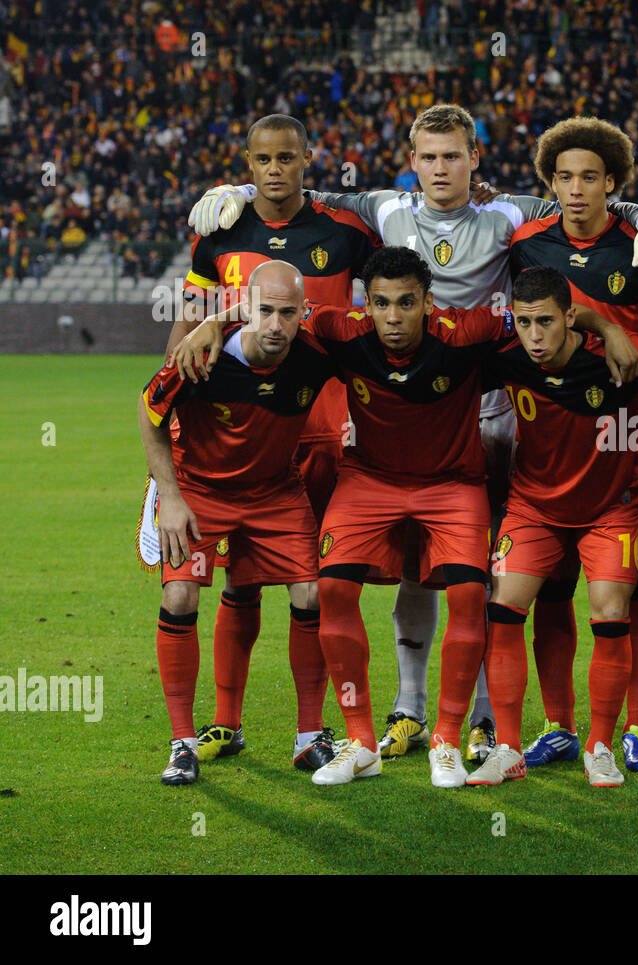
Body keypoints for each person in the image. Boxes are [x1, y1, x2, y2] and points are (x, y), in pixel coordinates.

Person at [188, 104, 638, 766]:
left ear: (475, 158)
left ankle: (485, 718)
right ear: (412, 161)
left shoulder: (508, 213)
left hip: (501, 408)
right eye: (429, 156)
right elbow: (302, 190)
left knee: (495, 571)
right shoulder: (382, 207)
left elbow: (586, 199)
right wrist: (238, 190)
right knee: (415, 567)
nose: (441, 168)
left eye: (453, 155)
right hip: (415, 409)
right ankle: (410, 709)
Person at [176, 247, 638, 788]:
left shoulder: (468, 331)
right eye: (381, 304)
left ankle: (445, 739)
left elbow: (546, 311)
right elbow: (276, 306)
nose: (393, 317)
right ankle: (360, 743)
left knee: (469, 595)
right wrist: (214, 321)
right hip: (369, 480)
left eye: (406, 303)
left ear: (428, 302)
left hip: (452, 484)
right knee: (331, 589)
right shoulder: (342, 329)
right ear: (366, 305)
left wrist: (608, 327)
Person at [164, 114, 381, 772]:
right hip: (241, 433)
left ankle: (324, 726)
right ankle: (226, 722)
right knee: (240, 583)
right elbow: (187, 330)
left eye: (287, 157)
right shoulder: (220, 232)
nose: (276, 169)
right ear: (249, 163)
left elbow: (381, 304)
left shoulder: (346, 233)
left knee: (320, 586)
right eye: (264, 160)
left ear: (307, 158)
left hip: (324, 431)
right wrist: (177, 396)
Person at [509, 118, 638, 773]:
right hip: (551, 437)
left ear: (612, 183)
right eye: (565, 178)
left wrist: (625, 341)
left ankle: (637, 724)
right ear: (550, 184)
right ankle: (558, 724)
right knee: (553, 584)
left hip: (631, 434)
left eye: (590, 177)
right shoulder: (527, 244)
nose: (577, 189)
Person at [475, 266, 638, 788]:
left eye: (545, 321)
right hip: (533, 508)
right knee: (502, 609)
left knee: (611, 613)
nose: (534, 336)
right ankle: (508, 748)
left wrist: (615, 331)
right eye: (524, 323)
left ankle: (600, 747)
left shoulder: (614, 357)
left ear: (570, 317)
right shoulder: (506, 356)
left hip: (610, 510)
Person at [139, 261, 337, 785]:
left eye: (287, 313)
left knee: (312, 593)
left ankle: (309, 738)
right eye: (264, 310)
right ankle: (182, 744)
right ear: (245, 307)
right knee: (179, 596)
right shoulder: (201, 357)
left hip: (276, 491)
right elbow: (149, 412)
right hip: (200, 490)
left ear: (304, 312)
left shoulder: (316, 351)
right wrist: (170, 497)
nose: (275, 324)